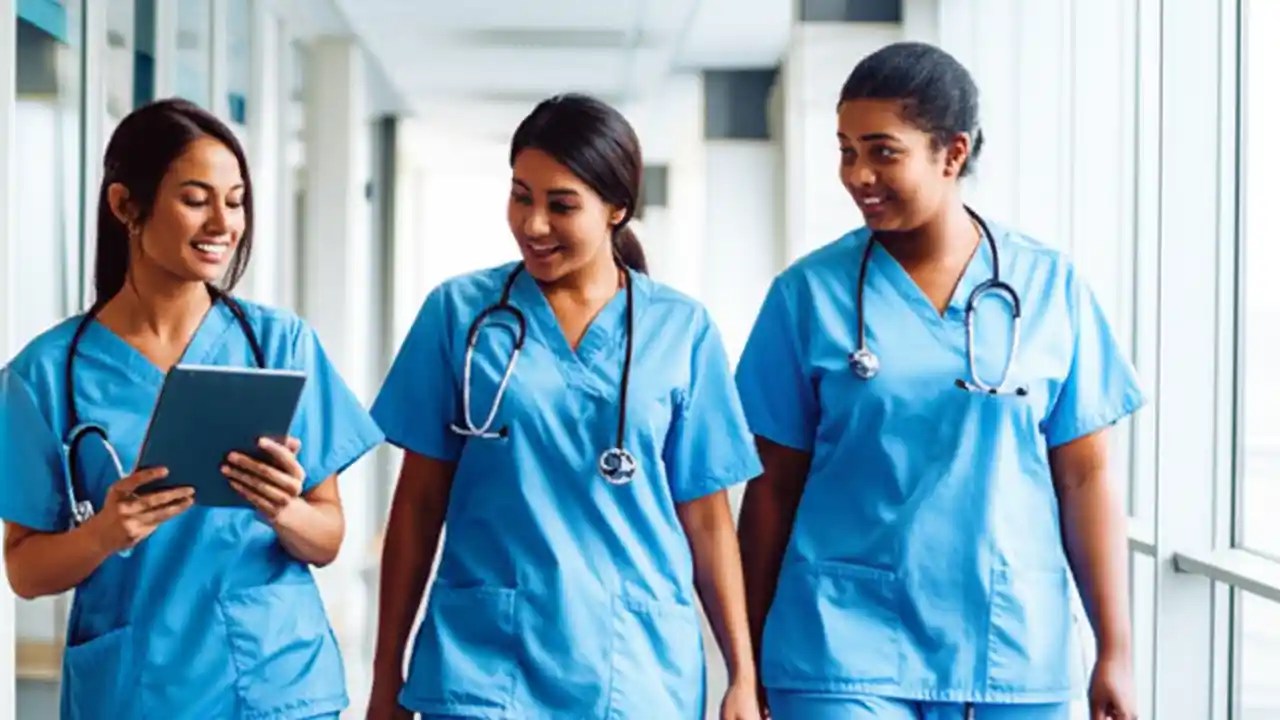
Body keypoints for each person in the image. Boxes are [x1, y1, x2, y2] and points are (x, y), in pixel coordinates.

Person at [735, 42, 1146, 720]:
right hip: (840, 643)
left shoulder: (1048, 286)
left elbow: (1085, 477)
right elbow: (773, 485)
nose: (858, 174)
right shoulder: (806, 295)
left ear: (952, 153)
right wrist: (744, 667)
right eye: (845, 150)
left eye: (882, 151)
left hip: (1009, 642)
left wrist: (1116, 651)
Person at [367, 93, 763, 720]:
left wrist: (742, 672)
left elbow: (708, 520)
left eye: (561, 204)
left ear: (617, 209)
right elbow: (417, 505)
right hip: (486, 661)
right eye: (521, 195)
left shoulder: (680, 330)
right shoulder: (459, 315)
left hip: (634, 667)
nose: (533, 224)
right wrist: (386, 673)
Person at [0, 98, 384, 719]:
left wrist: (284, 507)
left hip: (275, 684)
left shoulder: (280, 346)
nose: (223, 224)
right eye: (195, 199)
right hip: (138, 690)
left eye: (234, 201)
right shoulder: (45, 374)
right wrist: (105, 531)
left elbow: (327, 537)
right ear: (127, 205)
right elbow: (24, 569)